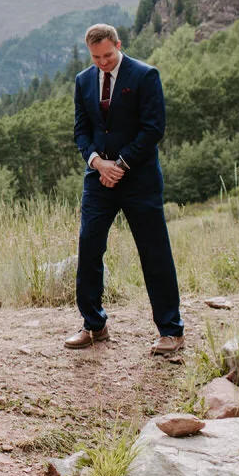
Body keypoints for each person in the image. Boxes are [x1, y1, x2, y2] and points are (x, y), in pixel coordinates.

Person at [65, 24, 184, 355]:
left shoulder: (145, 75)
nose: (103, 62)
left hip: (139, 180)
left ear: (118, 44)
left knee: (154, 252)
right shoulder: (83, 81)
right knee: (89, 248)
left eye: (108, 55)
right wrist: (97, 162)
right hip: (98, 180)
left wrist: (120, 164)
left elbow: (153, 128)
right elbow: (81, 130)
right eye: (96, 58)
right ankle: (94, 325)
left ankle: (171, 330)